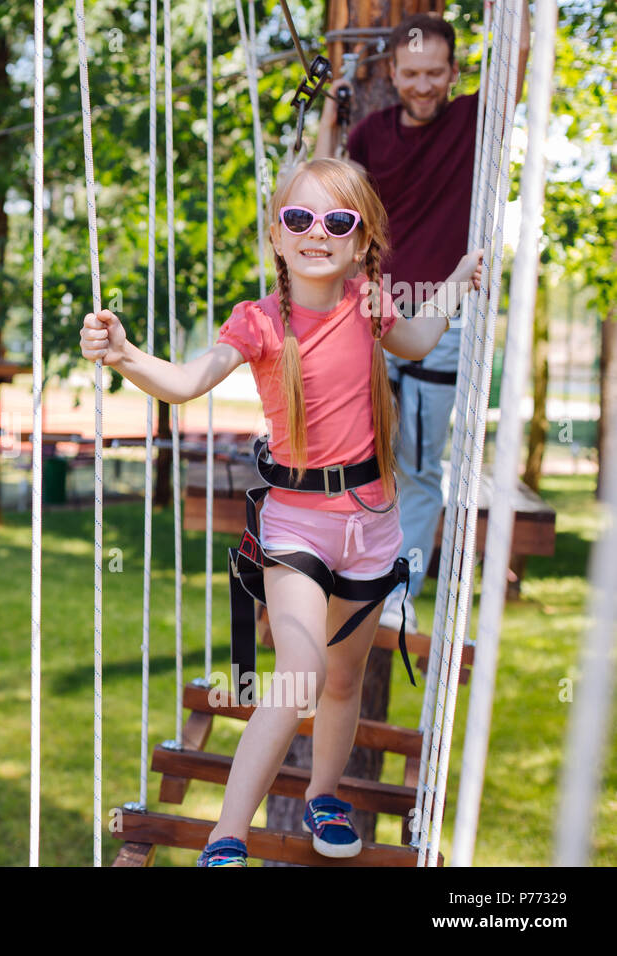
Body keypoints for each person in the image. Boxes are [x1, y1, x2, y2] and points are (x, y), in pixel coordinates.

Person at [80, 158, 482, 866]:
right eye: (299, 218)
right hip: (297, 525)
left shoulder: (368, 301)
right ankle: (225, 836)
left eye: (337, 221)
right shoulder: (261, 322)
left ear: (361, 242)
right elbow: (184, 381)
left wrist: (458, 282)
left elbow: (418, 341)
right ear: (277, 233)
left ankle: (327, 795)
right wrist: (125, 356)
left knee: (343, 679)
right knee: (297, 672)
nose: (316, 233)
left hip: (372, 525)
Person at [315, 10, 531, 634]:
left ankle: (397, 594)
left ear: (453, 72)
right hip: (371, 313)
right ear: (393, 71)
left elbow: (514, 66)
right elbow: (324, 190)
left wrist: (511, 16)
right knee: (349, 455)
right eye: (411, 73)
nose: (423, 85)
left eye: (435, 73)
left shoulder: (472, 120)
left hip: (445, 318)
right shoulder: (372, 135)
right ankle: (339, 575)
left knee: (418, 467)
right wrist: (332, 114)